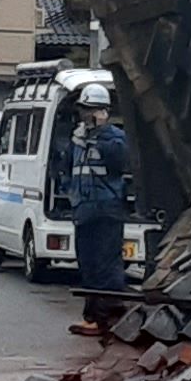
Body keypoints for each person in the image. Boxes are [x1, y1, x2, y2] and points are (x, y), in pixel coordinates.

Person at [60, 88, 132, 299]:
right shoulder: (76, 140)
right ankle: (92, 316)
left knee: (107, 265)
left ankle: (108, 313)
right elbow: (65, 169)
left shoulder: (115, 138)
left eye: (91, 111)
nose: (86, 116)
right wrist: (71, 194)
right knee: (87, 263)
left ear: (104, 112)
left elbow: (120, 162)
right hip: (84, 211)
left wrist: (100, 133)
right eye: (84, 110)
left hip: (108, 210)